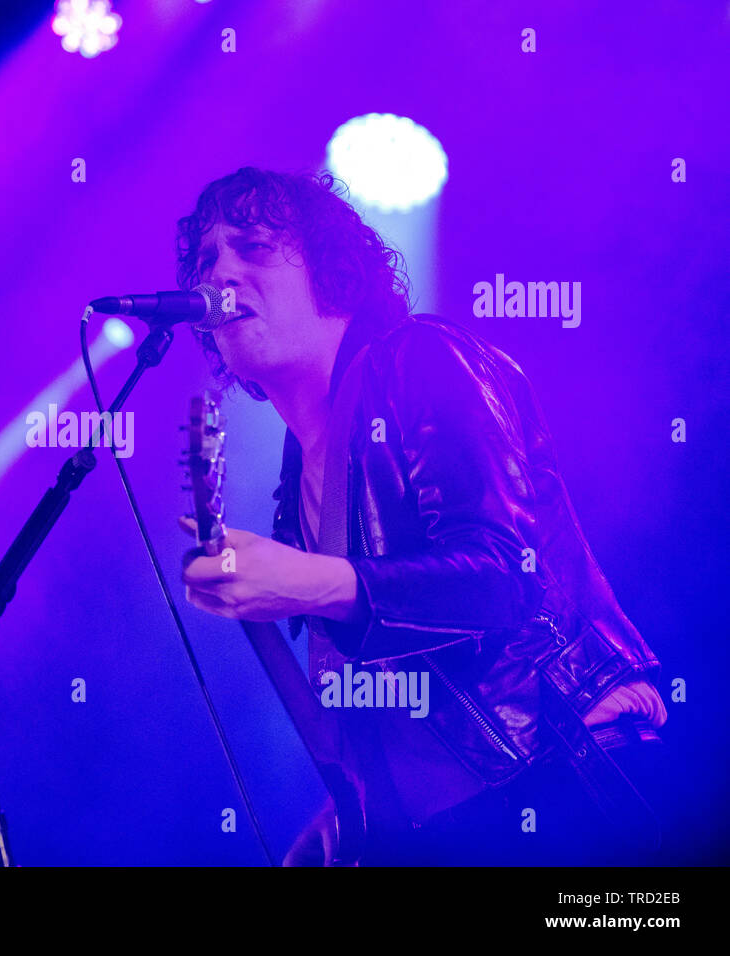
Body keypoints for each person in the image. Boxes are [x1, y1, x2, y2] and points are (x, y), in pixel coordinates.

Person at [176, 167, 670, 865]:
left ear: (331, 273)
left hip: (556, 777)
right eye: (206, 261)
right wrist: (356, 803)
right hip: (447, 826)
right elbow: (401, 670)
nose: (221, 273)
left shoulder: (424, 359)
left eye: (253, 248)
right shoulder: (299, 470)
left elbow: (505, 576)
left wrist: (313, 579)